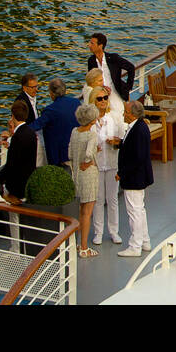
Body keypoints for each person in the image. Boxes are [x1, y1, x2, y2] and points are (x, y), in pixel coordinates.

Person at [116, 101, 154, 256]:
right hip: (140, 176)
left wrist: (121, 173)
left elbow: (136, 157)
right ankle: (145, 241)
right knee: (140, 210)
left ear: (132, 114)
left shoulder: (137, 130)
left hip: (134, 178)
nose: (123, 114)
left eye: (125, 112)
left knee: (134, 211)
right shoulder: (140, 126)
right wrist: (120, 144)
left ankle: (135, 246)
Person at [92, 88, 123, 245]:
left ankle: (114, 231)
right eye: (99, 99)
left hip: (112, 163)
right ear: (94, 101)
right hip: (96, 165)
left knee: (112, 199)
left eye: (105, 98)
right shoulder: (90, 121)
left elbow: (122, 140)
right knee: (98, 200)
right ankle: (98, 232)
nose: (103, 100)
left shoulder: (115, 118)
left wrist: (116, 142)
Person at [69, 103, 101, 258]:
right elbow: (88, 154)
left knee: (80, 211)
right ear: (92, 120)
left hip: (76, 175)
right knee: (87, 213)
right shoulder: (92, 135)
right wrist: (90, 162)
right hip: (88, 175)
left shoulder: (74, 132)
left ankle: (77, 244)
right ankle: (84, 247)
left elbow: (70, 153)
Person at [29, 78, 82, 166]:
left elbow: (35, 126)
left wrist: (17, 129)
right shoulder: (76, 103)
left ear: (52, 93)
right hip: (77, 151)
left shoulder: (50, 110)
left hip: (59, 157)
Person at [0, 101, 37, 203]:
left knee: (13, 215)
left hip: (17, 186)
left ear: (13, 116)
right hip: (28, 182)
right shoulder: (31, 133)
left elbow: (11, 163)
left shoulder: (17, 137)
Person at [86, 33, 136, 110]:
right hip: (101, 93)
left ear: (100, 46)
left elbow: (131, 68)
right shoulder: (91, 61)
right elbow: (91, 80)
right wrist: (101, 88)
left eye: (92, 43)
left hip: (115, 91)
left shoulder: (113, 58)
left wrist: (128, 87)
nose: (89, 45)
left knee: (118, 111)